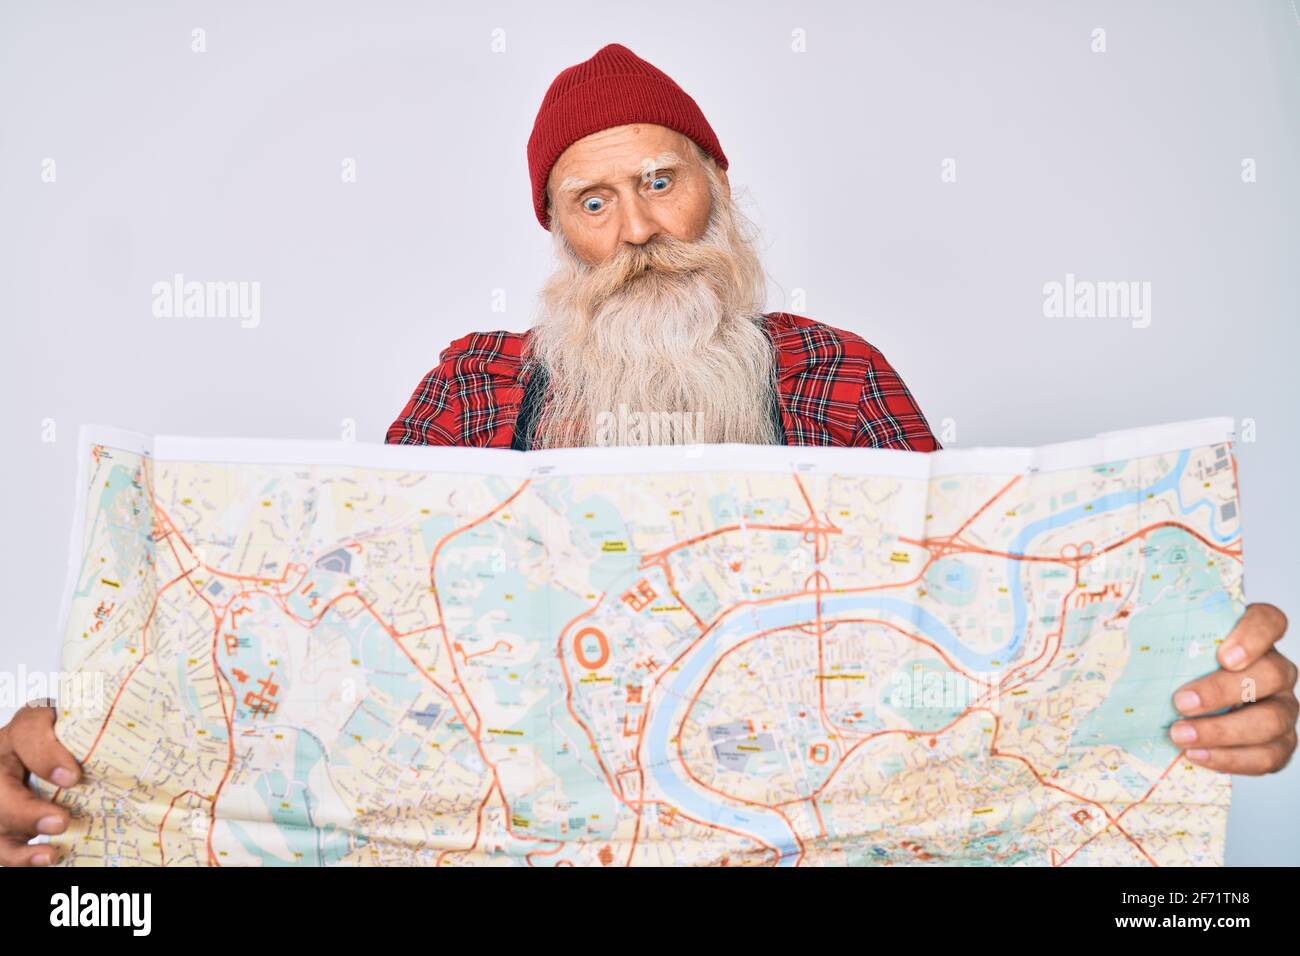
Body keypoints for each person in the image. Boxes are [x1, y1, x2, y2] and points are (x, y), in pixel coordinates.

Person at [1, 43, 1292, 868]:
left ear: (718, 194)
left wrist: (1188, 691)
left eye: (664, 183)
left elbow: (965, 636)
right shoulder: (476, 382)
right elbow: (332, 648)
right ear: (558, 233)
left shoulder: (832, 369)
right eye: (594, 201)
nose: (639, 231)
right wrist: (98, 734)